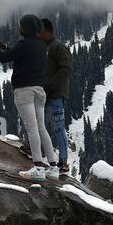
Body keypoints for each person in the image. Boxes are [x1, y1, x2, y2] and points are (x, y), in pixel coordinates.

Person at [0, 14, 56, 181]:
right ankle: (53, 167)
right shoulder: (40, 45)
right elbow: (15, 53)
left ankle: (38, 167)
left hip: (24, 91)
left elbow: (4, 58)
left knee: (32, 128)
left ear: (25, 28)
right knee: (41, 128)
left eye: (21, 26)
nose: (19, 28)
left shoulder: (24, 44)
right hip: (40, 91)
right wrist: (1, 45)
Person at [39, 18, 74, 178]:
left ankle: (63, 163)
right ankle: (39, 154)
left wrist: (50, 86)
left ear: (46, 30)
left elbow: (67, 68)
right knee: (40, 125)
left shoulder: (58, 47)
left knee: (58, 128)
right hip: (45, 95)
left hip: (56, 95)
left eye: (39, 31)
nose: (38, 35)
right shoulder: (46, 47)